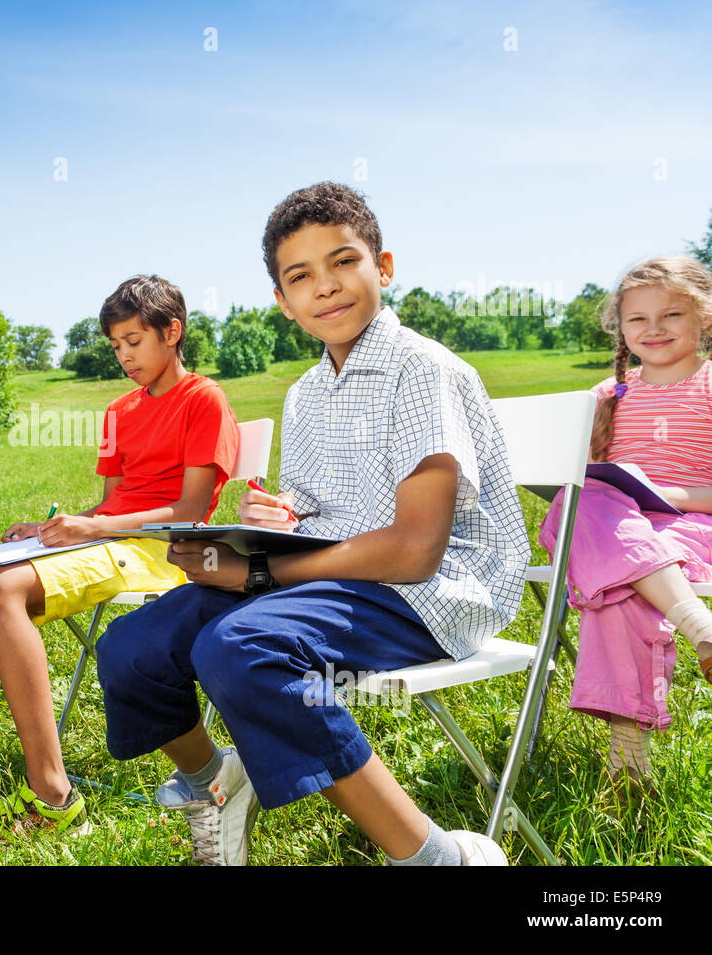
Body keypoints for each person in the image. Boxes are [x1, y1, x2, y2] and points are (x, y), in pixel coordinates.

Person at [96, 181, 529, 865]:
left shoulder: (420, 369)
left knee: (239, 647)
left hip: (431, 592)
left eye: (344, 262)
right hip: (335, 575)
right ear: (283, 301)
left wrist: (262, 570)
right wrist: (267, 523)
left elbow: (416, 551)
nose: (325, 287)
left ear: (382, 268)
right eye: (301, 276)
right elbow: (310, 512)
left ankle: (436, 856)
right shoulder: (304, 393)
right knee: (133, 645)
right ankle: (217, 782)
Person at [0, 275, 239, 838]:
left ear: (173, 332)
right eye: (115, 345)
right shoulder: (119, 411)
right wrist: (56, 528)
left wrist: (93, 526)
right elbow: (113, 501)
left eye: (134, 341)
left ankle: (53, 794)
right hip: (110, 537)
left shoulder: (204, 400)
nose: (123, 356)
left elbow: (191, 510)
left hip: (163, 551)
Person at [538, 257, 712, 799]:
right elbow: (571, 473)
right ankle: (699, 625)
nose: (653, 329)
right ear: (621, 327)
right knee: (581, 495)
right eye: (637, 319)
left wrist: (671, 496)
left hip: (692, 525)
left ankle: (628, 768)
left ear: (705, 316)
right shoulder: (607, 394)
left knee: (619, 587)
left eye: (671, 314)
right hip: (612, 527)